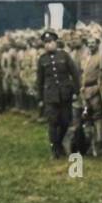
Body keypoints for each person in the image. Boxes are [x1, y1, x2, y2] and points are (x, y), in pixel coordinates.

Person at [37, 30, 81, 159]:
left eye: (50, 42)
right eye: (45, 43)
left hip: (65, 94)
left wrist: (76, 91)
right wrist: (40, 98)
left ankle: (60, 143)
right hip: (50, 95)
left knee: (65, 121)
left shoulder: (64, 55)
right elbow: (40, 80)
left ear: (55, 43)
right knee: (53, 123)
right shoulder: (42, 59)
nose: (48, 45)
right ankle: (55, 149)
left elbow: (74, 74)